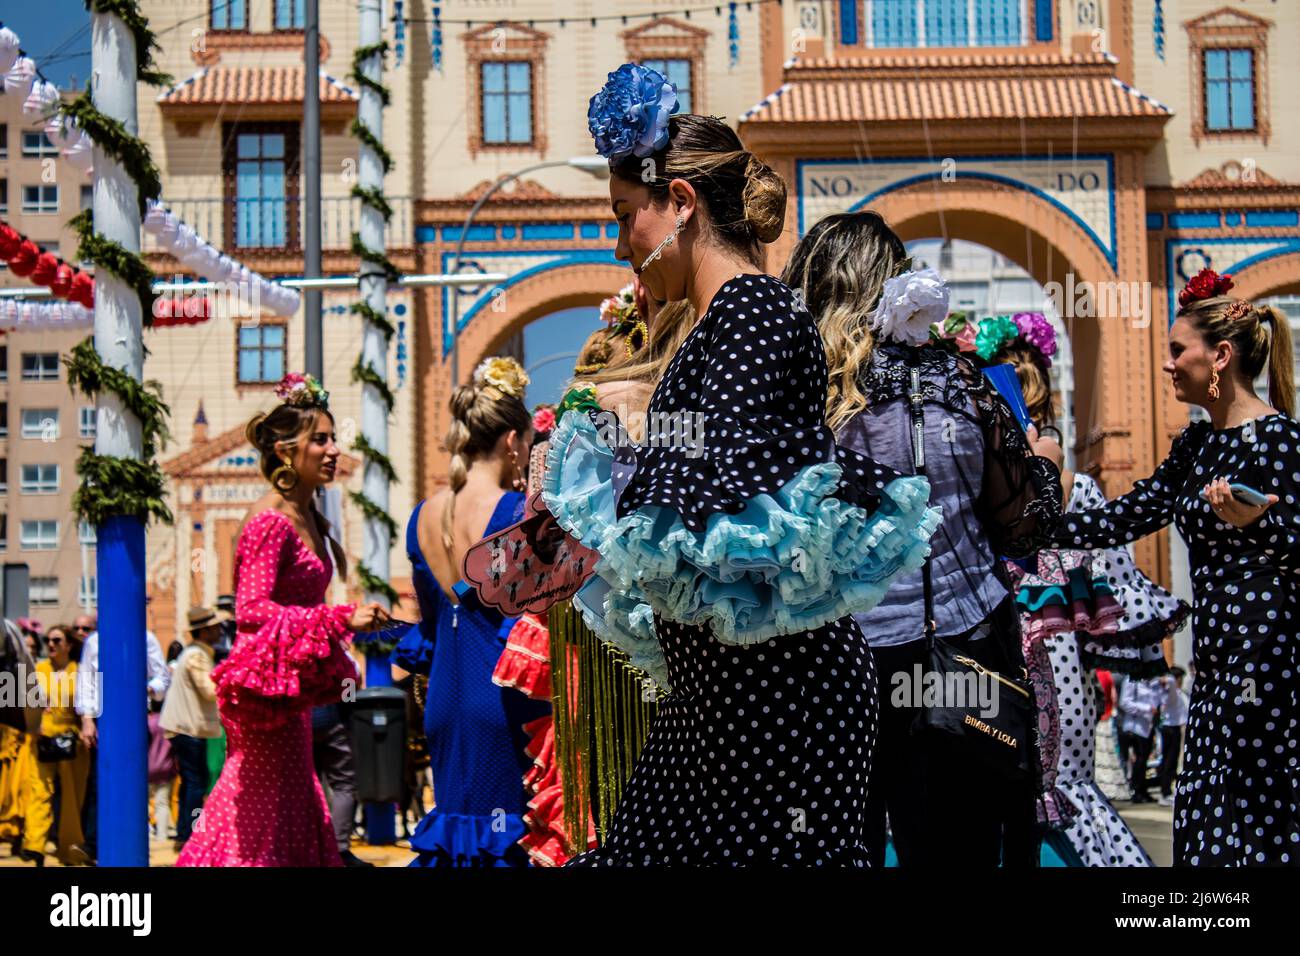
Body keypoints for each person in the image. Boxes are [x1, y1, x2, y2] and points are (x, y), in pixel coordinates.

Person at [536, 65, 940, 865]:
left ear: (680, 202)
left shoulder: (753, 309)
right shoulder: (725, 319)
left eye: (627, 218)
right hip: (731, 697)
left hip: (776, 700)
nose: (621, 247)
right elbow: (710, 468)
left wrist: (619, 447)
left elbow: (726, 492)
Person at [781, 211, 1065, 867]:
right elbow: (1024, 523)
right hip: (959, 654)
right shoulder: (957, 380)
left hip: (830, 665)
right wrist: (1046, 471)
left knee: (831, 848)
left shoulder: (796, 393)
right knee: (952, 852)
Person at [1049, 269, 1297, 865]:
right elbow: (1130, 514)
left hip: (1272, 660)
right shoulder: (1195, 446)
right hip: (1215, 666)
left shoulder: (1280, 440)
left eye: (1177, 351)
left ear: (1221, 356)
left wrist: (1257, 525)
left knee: (1263, 819)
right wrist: (1033, 522)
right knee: (1209, 822)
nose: (1167, 364)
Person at [176, 373, 385, 867]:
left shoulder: (308, 514)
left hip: (290, 691)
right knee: (261, 810)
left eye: (333, 438)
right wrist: (341, 618)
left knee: (287, 802)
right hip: (263, 696)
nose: (334, 450)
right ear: (288, 451)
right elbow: (250, 611)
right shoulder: (272, 519)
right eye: (321, 439)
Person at [394, 354, 551, 866]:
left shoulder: (424, 514)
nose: (528, 455)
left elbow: (433, 627)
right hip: (503, 701)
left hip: (445, 698)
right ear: (512, 442)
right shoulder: (513, 512)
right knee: (509, 836)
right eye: (528, 444)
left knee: (459, 835)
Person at [73, 610, 170, 865]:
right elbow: (86, 682)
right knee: (97, 781)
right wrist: (87, 720)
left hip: (136, 718)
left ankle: (133, 839)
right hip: (105, 718)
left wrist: (148, 687)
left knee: (135, 780)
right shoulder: (94, 642)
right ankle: (92, 845)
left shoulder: (146, 638)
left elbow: (162, 677)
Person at [21, 626, 90, 866]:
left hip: (71, 740)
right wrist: (34, 720)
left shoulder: (79, 671)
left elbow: (86, 705)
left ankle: (69, 850)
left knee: (72, 796)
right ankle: (34, 846)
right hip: (42, 739)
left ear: (68, 645)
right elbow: (25, 703)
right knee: (39, 790)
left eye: (56, 640)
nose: (51, 644)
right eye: (47, 640)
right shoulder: (38, 671)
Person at [159, 607, 223, 852]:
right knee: (197, 782)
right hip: (189, 728)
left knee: (190, 782)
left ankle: (186, 833)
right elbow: (209, 690)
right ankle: (191, 833)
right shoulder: (197, 656)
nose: (219, 630)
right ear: (205, 630)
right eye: (215, 626)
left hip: (185, 727)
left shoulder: (195, 653)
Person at [1116, 676, 1164, 804]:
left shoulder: (1154, 682)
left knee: (1144, 760)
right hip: (1135, 727)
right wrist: (1147, 709)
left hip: (1148, 726)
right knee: (1137, 759)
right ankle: (1136, 790)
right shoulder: (1132, 680)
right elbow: (1125, 702)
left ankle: (1143, 790)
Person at [1157, 667, 1189, 807]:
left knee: (1172, 760)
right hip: (1170, 727)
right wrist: (1168, 679)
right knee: (1169, 760)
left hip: (1175, 726)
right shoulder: (1171, 691)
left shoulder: (1178, 692)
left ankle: (1167, 790)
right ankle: (1165, 792)